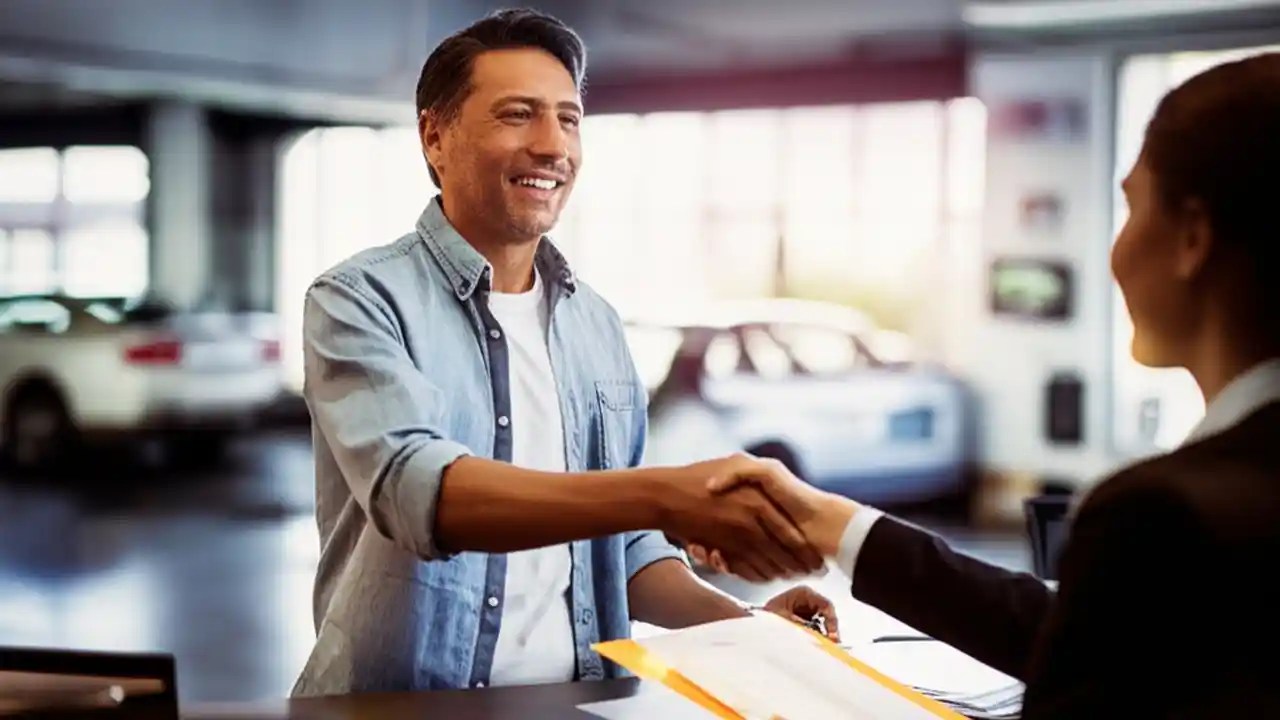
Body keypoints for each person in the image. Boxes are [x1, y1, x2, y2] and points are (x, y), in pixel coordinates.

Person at [696, 53, 1280, 718]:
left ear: (1192, 238)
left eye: (1131, 205)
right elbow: (1101, 642)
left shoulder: (1162, 515)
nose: (1116, 250)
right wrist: (835, 524)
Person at [292, 9, 834, 697]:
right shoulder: (359, 299)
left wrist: (748, 627)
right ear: (435, 136)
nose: (553, 146)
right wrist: (667, 495)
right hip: (401, 709)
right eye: (518, 115)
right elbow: (416, 493)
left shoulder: (596, 325)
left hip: (579, 702)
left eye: (569, 119)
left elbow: (625, 549)